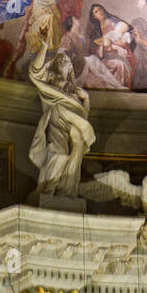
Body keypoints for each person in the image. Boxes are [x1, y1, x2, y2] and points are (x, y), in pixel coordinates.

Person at [27, 50, 95, 199]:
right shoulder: (51, 79)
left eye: (65, 60)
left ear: (70, 67)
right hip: (59, 115)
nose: (62, 61)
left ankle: (68, 190)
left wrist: (86, 100)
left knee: (77, 151)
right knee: (60, 154)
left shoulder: (75, 89)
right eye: (59, 60)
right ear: (54, 65)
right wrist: (44, 47)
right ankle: (48, 189)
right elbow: (35, 72)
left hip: (75, 120)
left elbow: (84, 115)